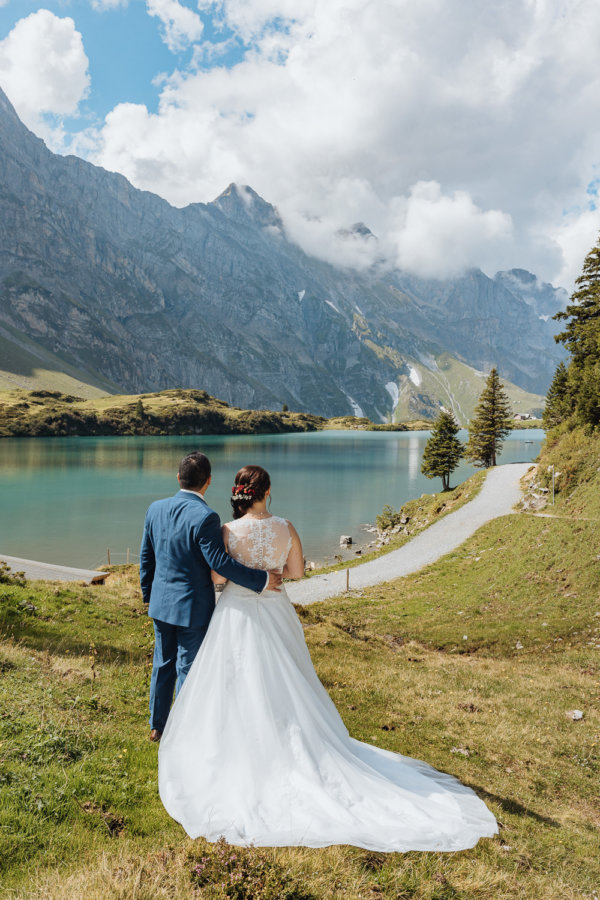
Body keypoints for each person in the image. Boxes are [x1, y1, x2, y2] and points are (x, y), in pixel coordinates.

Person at [158, 464, 498, 851]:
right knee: (289, 682)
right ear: (267, 493)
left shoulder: (228, 531)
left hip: (235, 614)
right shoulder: (286, 527)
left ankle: (236, 749)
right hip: (276, 610)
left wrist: (239, 575)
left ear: (240, 494)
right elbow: (297, 571)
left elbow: (219, 578)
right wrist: (273, 572)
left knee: (235, 682)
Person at [140, 452, 283, 743]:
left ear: (178, 478)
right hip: (193, 605)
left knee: (162, 664)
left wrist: (148, 595)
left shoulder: (155, 508)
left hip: (160, 602)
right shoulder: (206, 517)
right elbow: (220, 563)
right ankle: (182, 729)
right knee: (189, 667)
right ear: (208, 482)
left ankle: (158, 726)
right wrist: (263, 579)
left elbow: (147, 557)